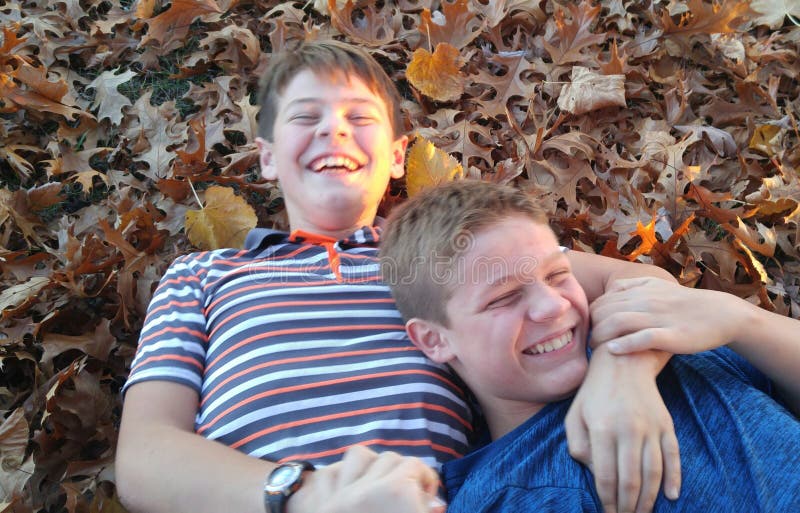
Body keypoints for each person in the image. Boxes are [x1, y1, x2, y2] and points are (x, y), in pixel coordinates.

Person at [116, 40, 685, 513]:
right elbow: (144, 457)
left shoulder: (444, 249)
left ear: (395, 156)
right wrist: (306, 498)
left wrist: (621, 373)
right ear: (266, 157)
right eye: (305, 117)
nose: (333, 132)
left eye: (359, 118)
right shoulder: (204, 275)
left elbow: (636, 289)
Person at [378, 179, 800, 513]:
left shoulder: (662, 337)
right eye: (502, 298)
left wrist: (745, 322)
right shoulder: (508, 494)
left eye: (559, 275)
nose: (551, 305)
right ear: (434, 339)